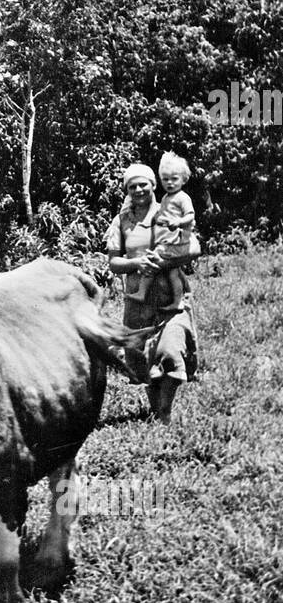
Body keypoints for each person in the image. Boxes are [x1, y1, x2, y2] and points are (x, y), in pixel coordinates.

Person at [106, 162, 199, 423]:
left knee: (170, 351)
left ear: (153, 186)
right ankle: (156, 412)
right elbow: (113, 263)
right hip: (137, 301)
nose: (138, 190)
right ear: (127, 189)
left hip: (170, 296)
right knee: (144, 359)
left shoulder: (169, 208)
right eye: (132, 186)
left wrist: (164, 262)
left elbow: (195, 247)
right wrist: (137, 263)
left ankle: (164, 412)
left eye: (143, 184)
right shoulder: (122, 220)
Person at [125, 153, 196, 312]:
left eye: (174, 179)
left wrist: (179, 222)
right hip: (168, 242)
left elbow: (190, 216)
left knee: (154, 262)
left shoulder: (182, 197)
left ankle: (143, 292)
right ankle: (175, 300)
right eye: (165, 179)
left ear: (184, 180)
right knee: (172, 273)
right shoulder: (166, 198)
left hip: (176, 243)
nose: (170, 183)